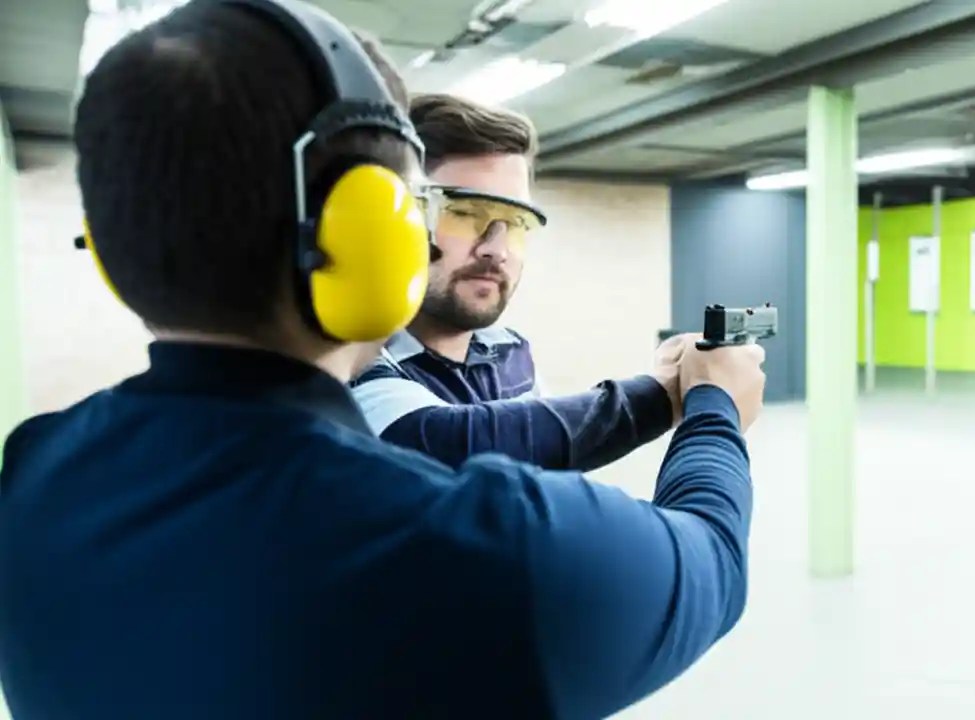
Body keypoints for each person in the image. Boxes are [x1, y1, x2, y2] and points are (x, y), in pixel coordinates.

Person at [0, 1, 767, 719]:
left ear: (115, 243)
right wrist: (713, 407)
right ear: (382, 232)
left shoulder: (31, 471)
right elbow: (713, 560)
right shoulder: (486, 551)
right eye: (432, 212)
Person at [351, 93, 682, 471]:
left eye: (516, 222)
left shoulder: (509, 352)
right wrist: (667, 393)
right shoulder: (353, 360)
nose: (497, 249)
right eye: (464, 214)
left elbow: (542, 459)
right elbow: (454, 444)